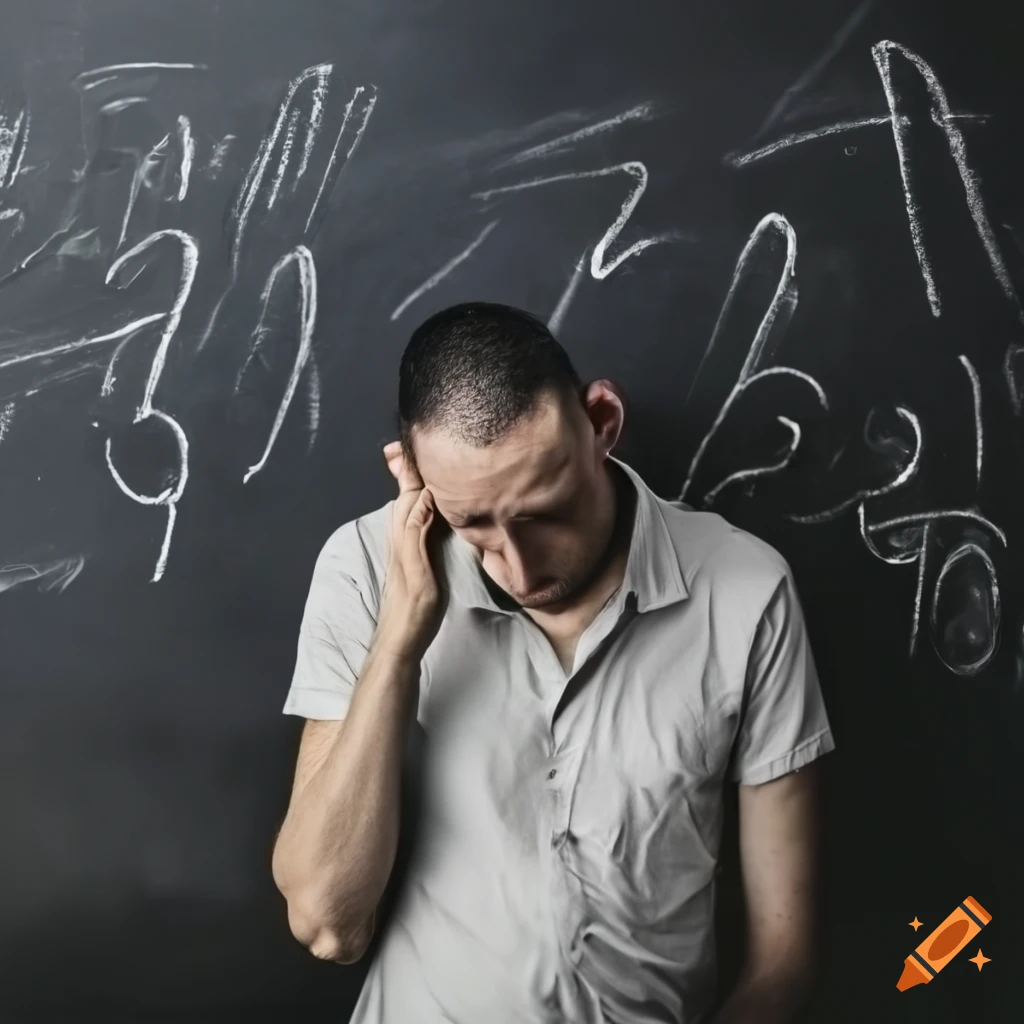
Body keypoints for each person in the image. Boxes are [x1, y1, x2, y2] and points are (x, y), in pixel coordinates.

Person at [271, 302, 835, 1024]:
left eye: (544, 510)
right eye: (472, 523)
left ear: (601, 422)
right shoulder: (361, 569)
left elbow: (784, 962)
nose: (518, 564)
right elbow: (327, 925)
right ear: (411, 475)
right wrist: (399, 643)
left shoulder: (749, 593)